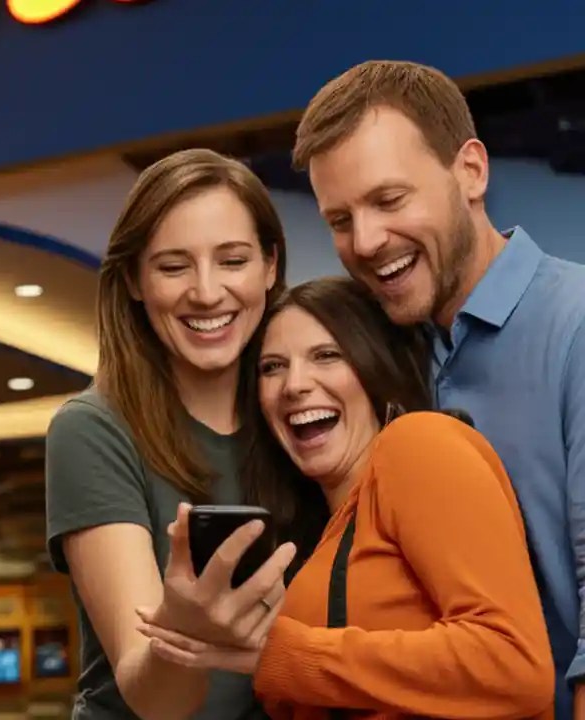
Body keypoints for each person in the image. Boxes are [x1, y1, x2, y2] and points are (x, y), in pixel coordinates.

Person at [291, 59, 585, 719]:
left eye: (390, 200)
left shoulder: (576, 324)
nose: (367, 240)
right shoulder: (392, 356)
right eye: (340, 219)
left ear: (471, 171)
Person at [140, 276, 556, 718]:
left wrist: (280, 653)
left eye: (326, 355)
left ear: (375, 366)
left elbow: (513, 664)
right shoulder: (317, 540)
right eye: (272, 367)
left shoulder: (417, 443)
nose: (294, 384)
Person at [44, 148, 325, 720]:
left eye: (233, 260)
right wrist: (190, 629)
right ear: (134, 279)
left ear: (270, 265)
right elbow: (155, 700)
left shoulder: (301, 412)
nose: (206, 291)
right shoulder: (92, 429)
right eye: (174, 267)